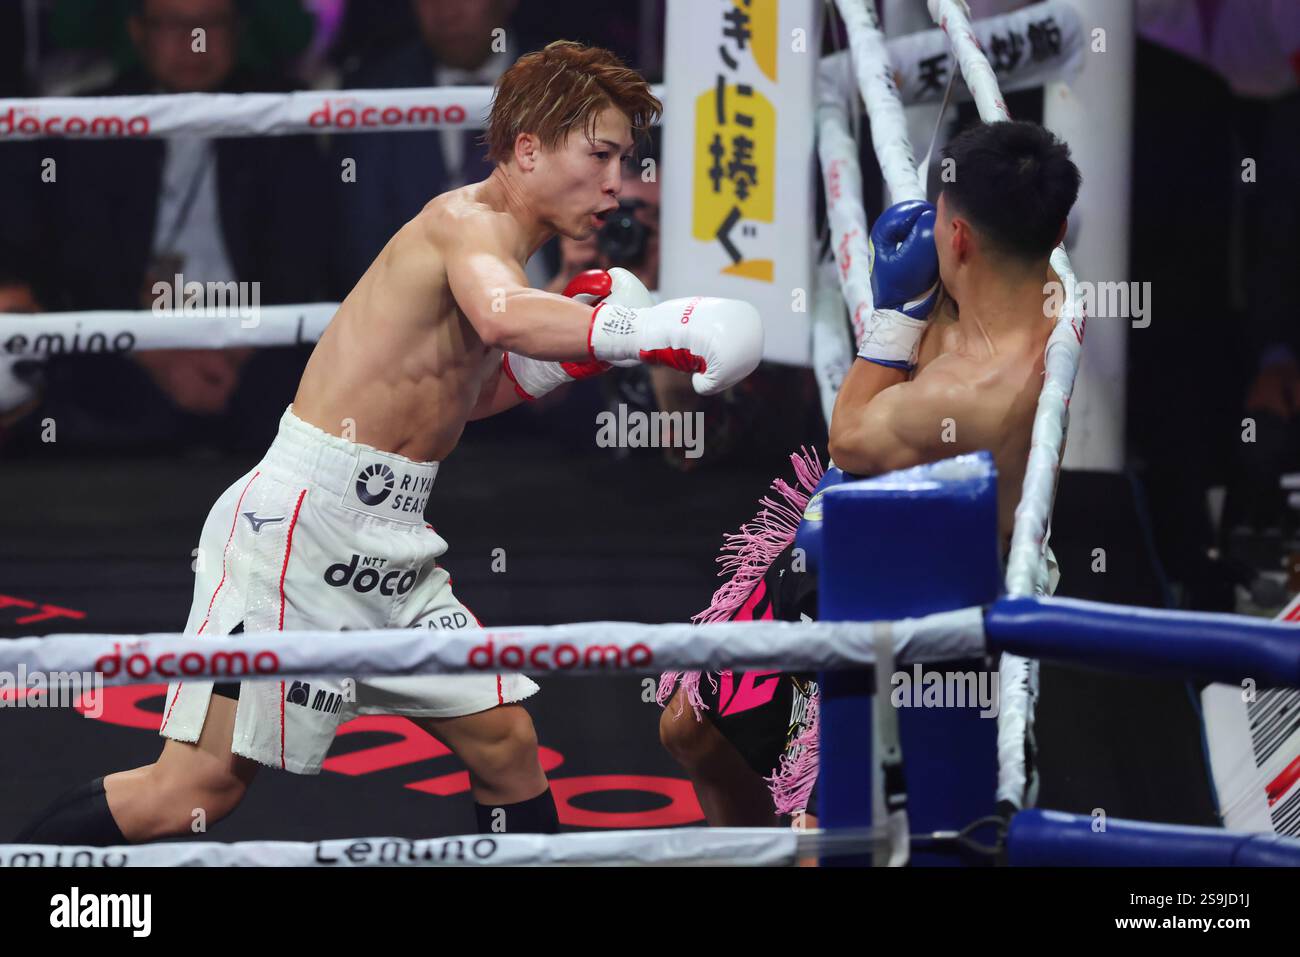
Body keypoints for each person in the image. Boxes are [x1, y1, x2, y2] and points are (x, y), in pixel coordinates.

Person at [16, 40, 763, 846]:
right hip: (299, 531)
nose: (619, 182)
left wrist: (571, 359)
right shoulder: (462, 224)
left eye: (627, 160)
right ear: (527, 148)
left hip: (392, 537)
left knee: (506, 745)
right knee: (193, 787)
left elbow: (464, 398)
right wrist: (645, 327)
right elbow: (505, 316)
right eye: (602, 154)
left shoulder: (503, 252)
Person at [659, 120, 1081, 827]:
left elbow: (849, 437)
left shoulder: (973, 394)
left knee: (832, 827)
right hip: (860, 537)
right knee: (688, 724)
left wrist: (897, 314)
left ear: (959, 239)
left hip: (906, 596)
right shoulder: (1039, 292)